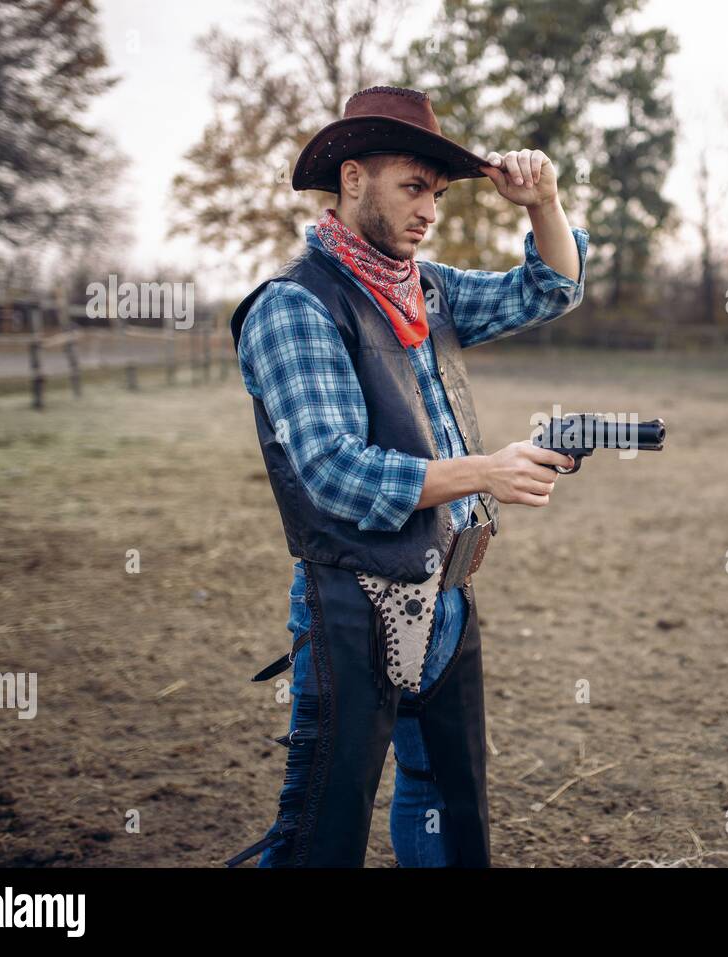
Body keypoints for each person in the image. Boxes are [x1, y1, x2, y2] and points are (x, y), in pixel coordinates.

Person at [225, 85, 588, 867]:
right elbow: (333, 470)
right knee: (322, 833)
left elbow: (550, 288)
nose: (429, 211)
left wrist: (544, 206)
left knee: (450, 808)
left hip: (448, 592)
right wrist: (486, 470)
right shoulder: (295, 306)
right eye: (412, 187)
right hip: (354, 600)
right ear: (353, 179)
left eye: (438, 193)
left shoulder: (428, 288)